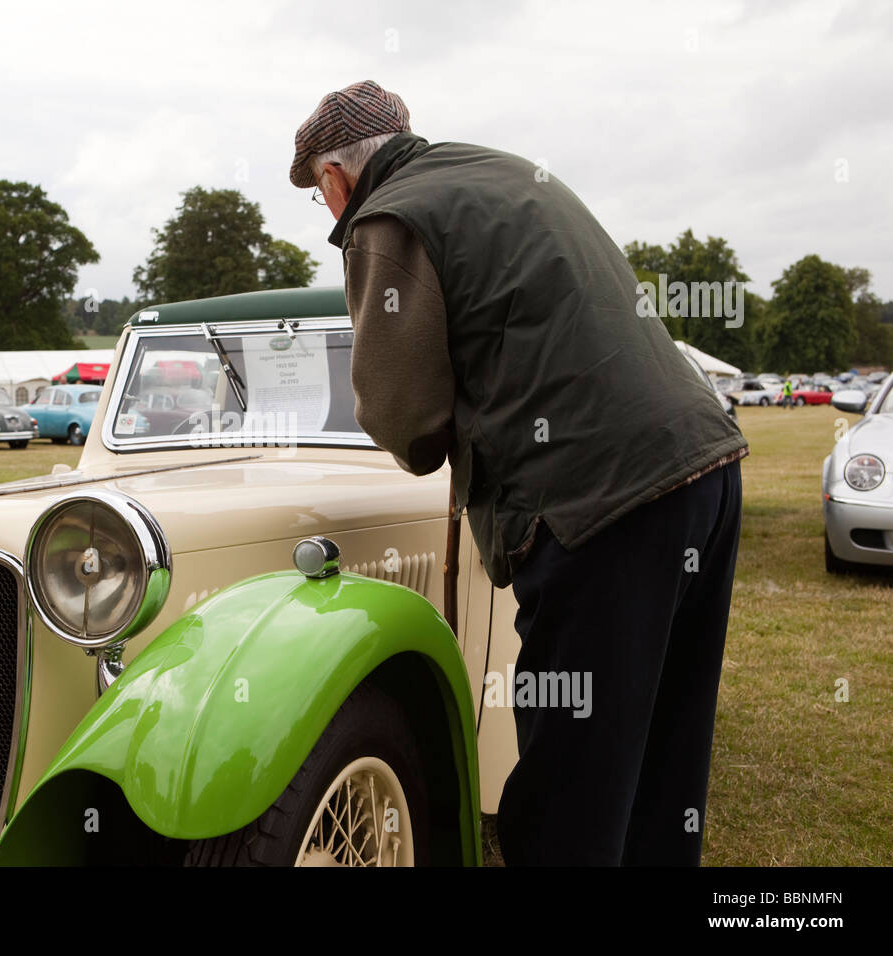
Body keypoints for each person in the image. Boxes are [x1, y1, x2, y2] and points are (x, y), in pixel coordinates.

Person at [291, 80, 748, 866]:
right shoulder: (500, 172)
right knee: (664, 763)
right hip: (703, 463)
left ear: (335, 179)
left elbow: (407, 420)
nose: (329, 212)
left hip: (600, 502)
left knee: (571, 787)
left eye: (320, 196)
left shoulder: (388, 216)